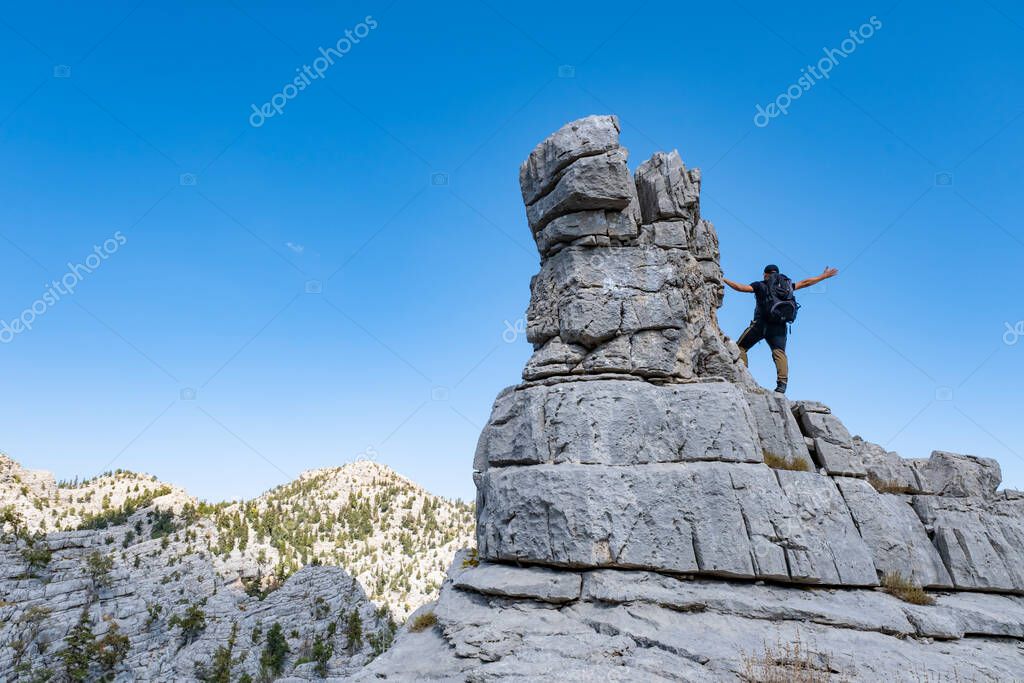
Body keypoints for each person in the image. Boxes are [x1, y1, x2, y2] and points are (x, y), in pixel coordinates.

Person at [723, 264, 839, 394]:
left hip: (760, 325)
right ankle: (782, 384)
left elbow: (740, 288)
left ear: (765, 274)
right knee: (779, 353)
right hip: (779, 327)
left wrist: (723, 279)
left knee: (741, 347)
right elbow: (806, 283)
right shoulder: (787, 287)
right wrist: (823, 276)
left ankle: (743, 374)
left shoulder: (760, 285)